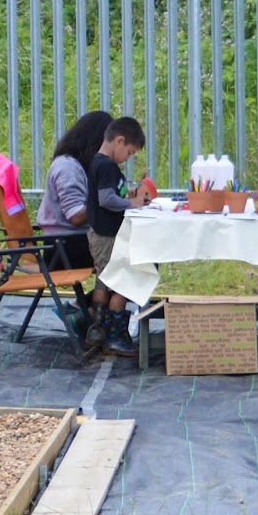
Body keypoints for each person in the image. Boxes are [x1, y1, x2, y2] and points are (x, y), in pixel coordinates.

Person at [85, 116, 152, 356]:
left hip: (103, 234)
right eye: (130, 152)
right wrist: (132, 203)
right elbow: (106, 199)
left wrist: (130, 194)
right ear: (119, 141)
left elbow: (112, 194)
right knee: (118, 281)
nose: (128, 158)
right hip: (106, 236)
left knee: (105, 280)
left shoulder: (101, 164)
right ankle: (114, 336)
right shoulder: (106, 166)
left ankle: (98, 331)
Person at [37, 110, 114, 272]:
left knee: (135, 247)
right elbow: (76, 216)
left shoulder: (81, 166)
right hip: (65, 247)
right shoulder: (67, 167)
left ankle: (104, 290)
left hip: (75, 241)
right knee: (135, 250)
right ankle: (105, 290)